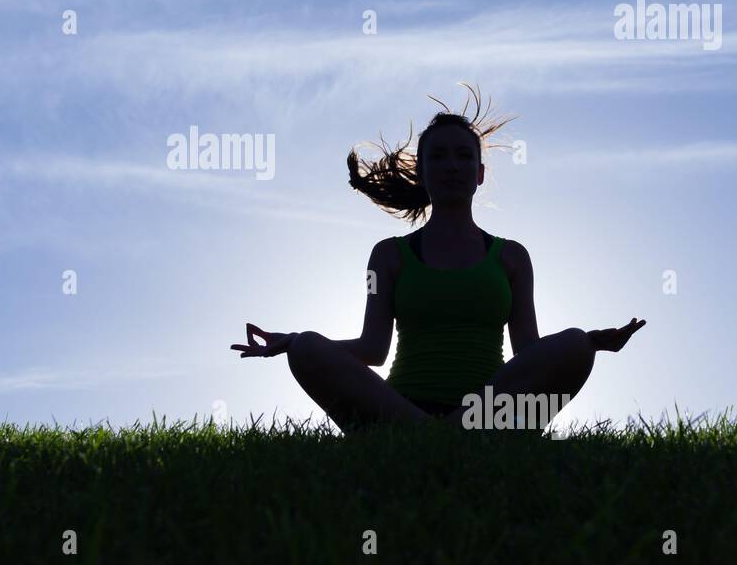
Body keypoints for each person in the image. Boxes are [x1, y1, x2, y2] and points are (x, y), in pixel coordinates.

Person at [230, 83, 644, 435]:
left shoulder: (512, 257)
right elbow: (373, 349)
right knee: (306, 349)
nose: (452, 166)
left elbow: (529, 353)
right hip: (398, 409)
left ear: (480, 174)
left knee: (574, 344)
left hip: (488, 415)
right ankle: (434, 436)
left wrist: (590, 343)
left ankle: (442, 437)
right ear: (422, 173)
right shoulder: (389, 255)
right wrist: (291, 344)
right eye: (439, 157)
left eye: (464, 157)